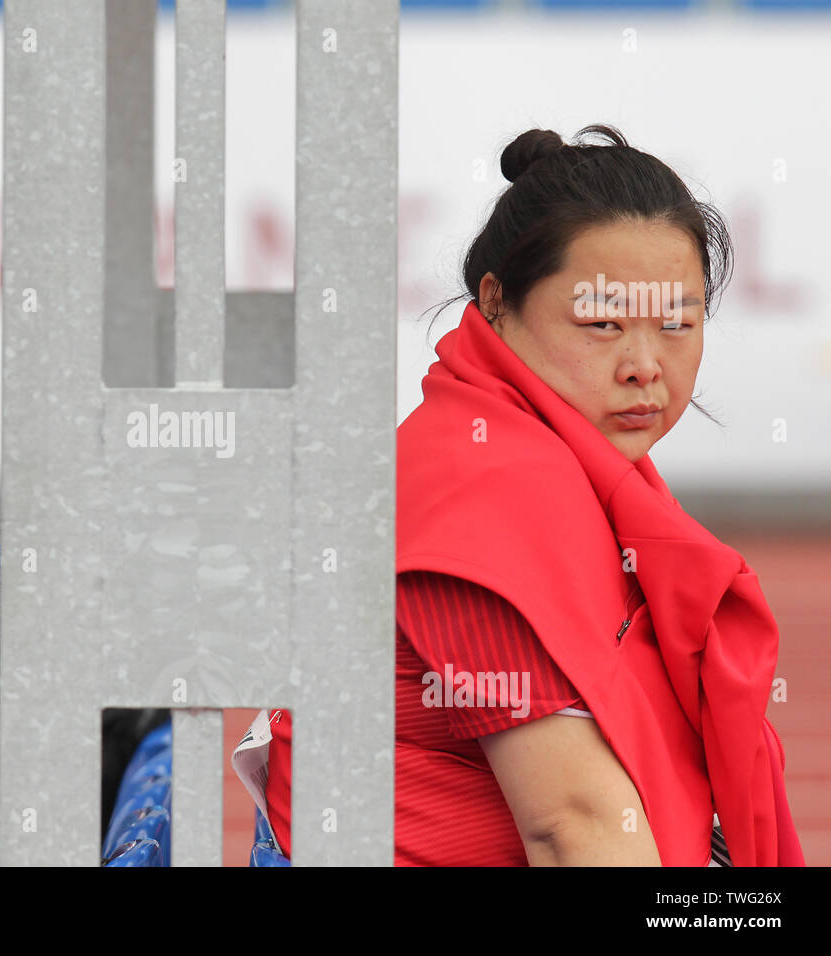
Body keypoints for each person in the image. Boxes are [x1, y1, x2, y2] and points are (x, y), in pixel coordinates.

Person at [261, 125, 803, 867]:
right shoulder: (478, 494)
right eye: (601, 323)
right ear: (496, 304)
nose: (645, 364)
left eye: (676, 322)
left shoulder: (547, 447)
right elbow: (573, 827)